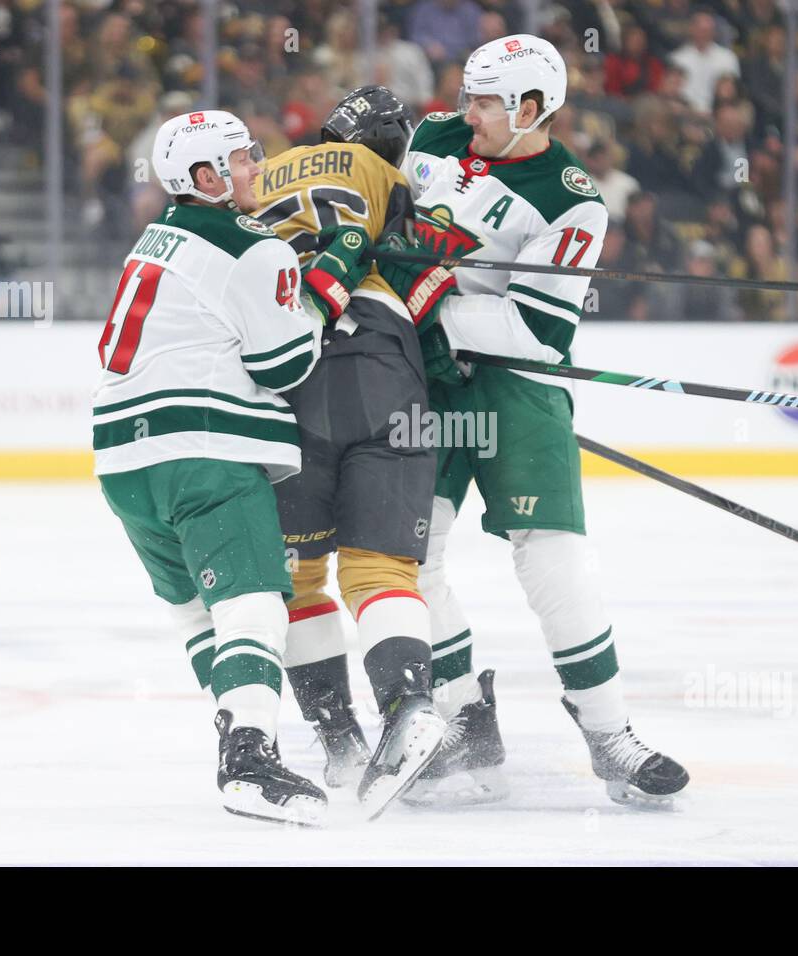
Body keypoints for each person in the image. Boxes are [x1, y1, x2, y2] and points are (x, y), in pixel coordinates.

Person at [397, 34, 690, 808]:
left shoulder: (572, 202)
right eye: (467, 96)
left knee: (553, 559)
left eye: (486, 103)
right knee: (408, 555)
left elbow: (538, 333)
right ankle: (464, 720)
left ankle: (609, 734)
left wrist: (430, 303)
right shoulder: (430, 138)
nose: (469, 113)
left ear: (533, 109)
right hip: (425, 384)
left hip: (515, 391)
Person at [92, 110, 327, 826]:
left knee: (200, 612)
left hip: (122, 460)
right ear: (205, 177)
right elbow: (285, 364)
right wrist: (322, 289)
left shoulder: (157, 234)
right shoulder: (252, 245)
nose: (257, 163)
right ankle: (249, 757)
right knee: (254, 601)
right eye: (242, 156)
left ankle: (239, 728)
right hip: (202, 449)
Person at [251, 86, 450, 817]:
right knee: (381, 568)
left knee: (300, 578)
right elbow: (427, 263)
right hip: (382, 357)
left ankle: (338, 742)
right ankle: (410, 705)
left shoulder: (254, 179)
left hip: (287, 377)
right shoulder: (387, 175)